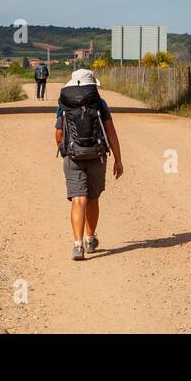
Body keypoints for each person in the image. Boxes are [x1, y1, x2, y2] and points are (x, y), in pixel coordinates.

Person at [54, 68, 123, 261]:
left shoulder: (64, 104)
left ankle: (77, 245)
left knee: (78, 200)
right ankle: (90, 239)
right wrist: (118, 159)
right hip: (97, 156)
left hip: (73, 157)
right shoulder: (100, 103)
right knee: (93, 198)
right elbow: (110, 131)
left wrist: (66, 150)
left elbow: (59, 133)